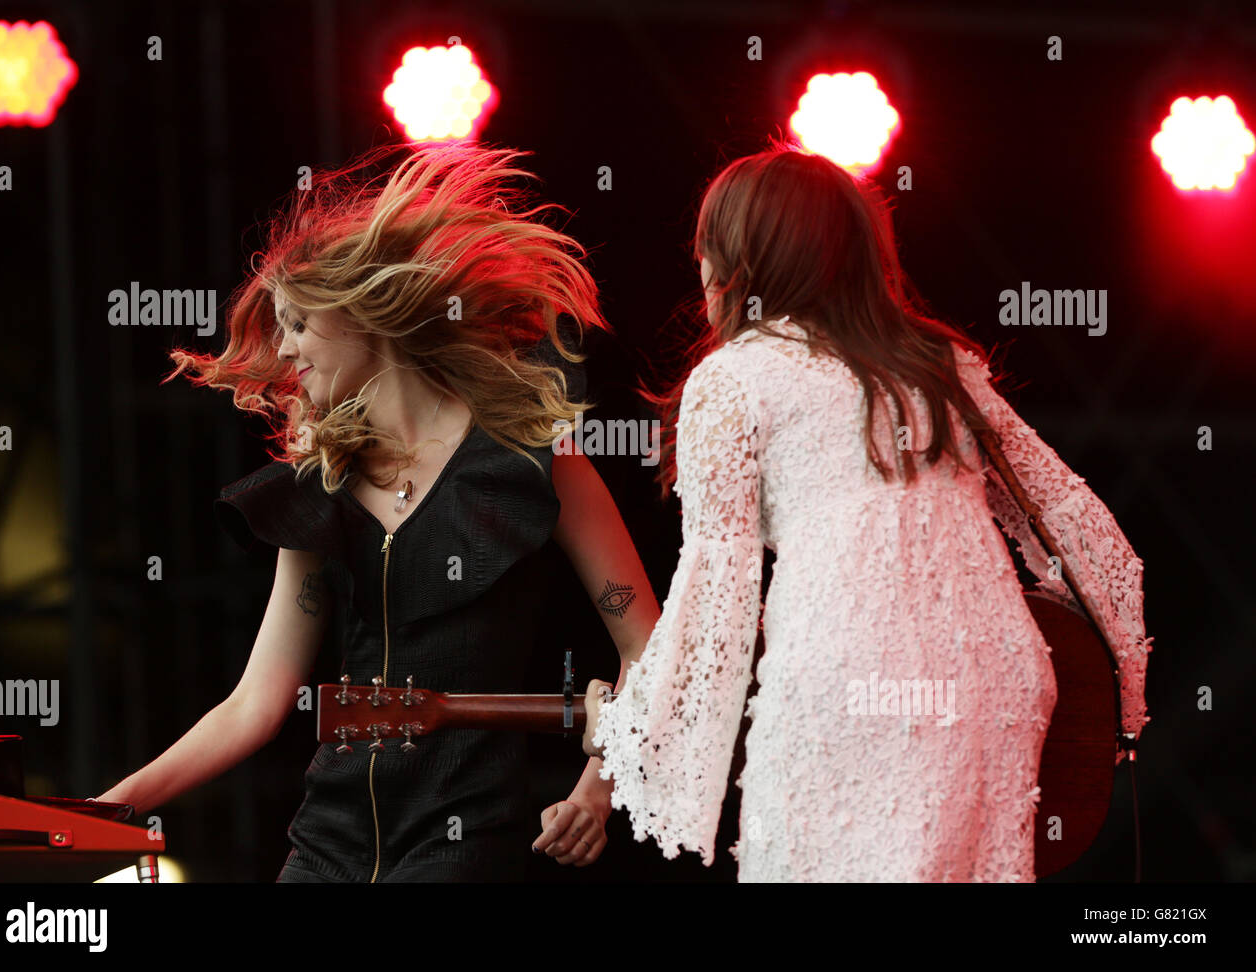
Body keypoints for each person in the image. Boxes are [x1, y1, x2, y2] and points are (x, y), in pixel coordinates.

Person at [580, 144, 1152, 882]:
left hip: (841, 685)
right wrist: (1122, 698)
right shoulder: (940, 367)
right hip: (993, 685)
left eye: (706, 250)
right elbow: (1075, 519)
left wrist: (626, 733)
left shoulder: (735, 379)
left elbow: (714, 600)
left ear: (741, 263)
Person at [94, 142, 661, 881]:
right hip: (327, 846)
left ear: (363, 313)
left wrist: (597, 792)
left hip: (464, 844)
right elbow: (256, 703)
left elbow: (650, 650)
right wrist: (111, 808)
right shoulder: (315, 491)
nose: (287, 351)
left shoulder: (535, 466)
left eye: (298, 323)